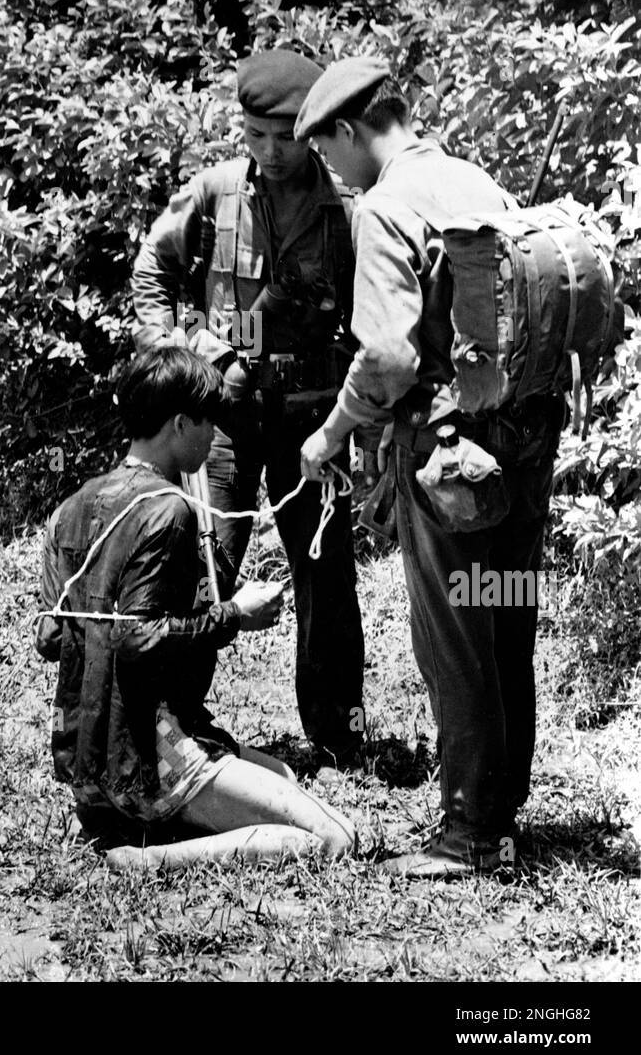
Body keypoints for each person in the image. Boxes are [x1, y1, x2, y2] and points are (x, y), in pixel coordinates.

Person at [296, 59, 565, 878]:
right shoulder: (473, 177)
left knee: (454, 631)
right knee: (504, 611)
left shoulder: (385, 208)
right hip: (522, 441)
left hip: (450, 460)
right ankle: (502, 805)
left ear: (350, 129)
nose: (332, 174)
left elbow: (384, 355)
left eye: (327, 152)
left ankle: (471, 834)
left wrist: (331, 433)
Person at [131, 49, 364, 778]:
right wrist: (186, 352)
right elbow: (151, 271)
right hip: (221, 423)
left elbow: (372, 320)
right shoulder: (214, 191)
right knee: (205, 563)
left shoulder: (345, 215)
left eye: (286, 135)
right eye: (256, 134)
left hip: (311, 427)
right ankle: (172, 718)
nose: (270, 150)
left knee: (324, 574)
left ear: (314, 129)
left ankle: (335, 733)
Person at [43, 347, 358, 871]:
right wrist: (236, 614)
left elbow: (51, 638)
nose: (214, 437)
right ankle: (148, 858)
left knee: (282, 774)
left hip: (84, 761)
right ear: (180, 423)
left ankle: (128, 821)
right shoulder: (170, 510)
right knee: (334, 837)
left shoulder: (70, 508)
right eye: (209, 423)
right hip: (148, 755)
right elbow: (138, 638)